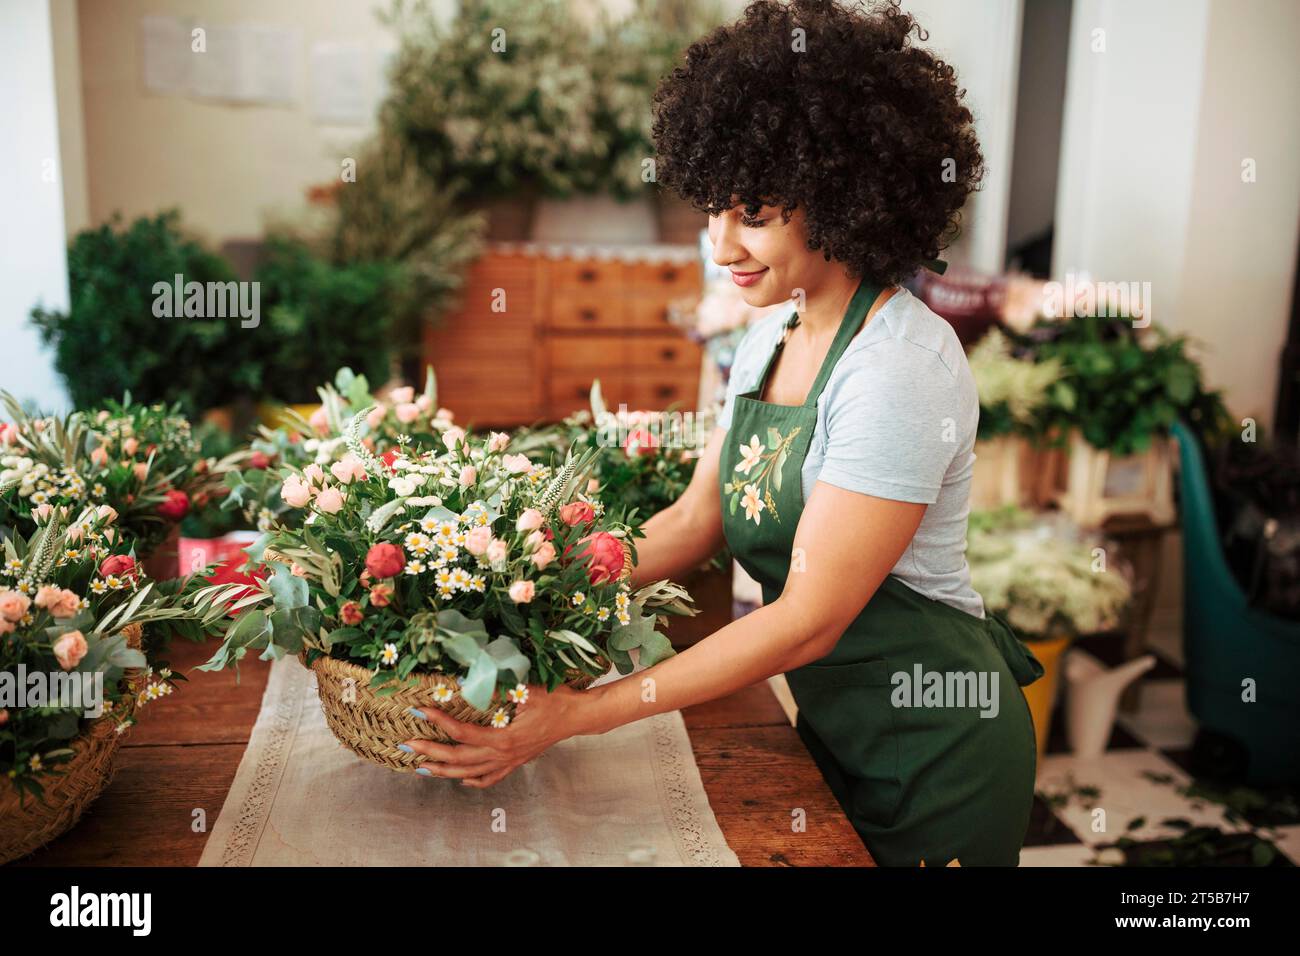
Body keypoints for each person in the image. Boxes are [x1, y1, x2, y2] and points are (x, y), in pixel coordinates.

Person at [402, 0, 1043, 866]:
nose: (721, 245)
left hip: (938, 754)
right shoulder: (768, 336)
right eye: (712, 208)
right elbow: (691, 524)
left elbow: (809, 621)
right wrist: (510, 582)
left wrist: (580, 714)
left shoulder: (896, 370)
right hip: (834, 730)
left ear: (842, 195)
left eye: (752, 213)